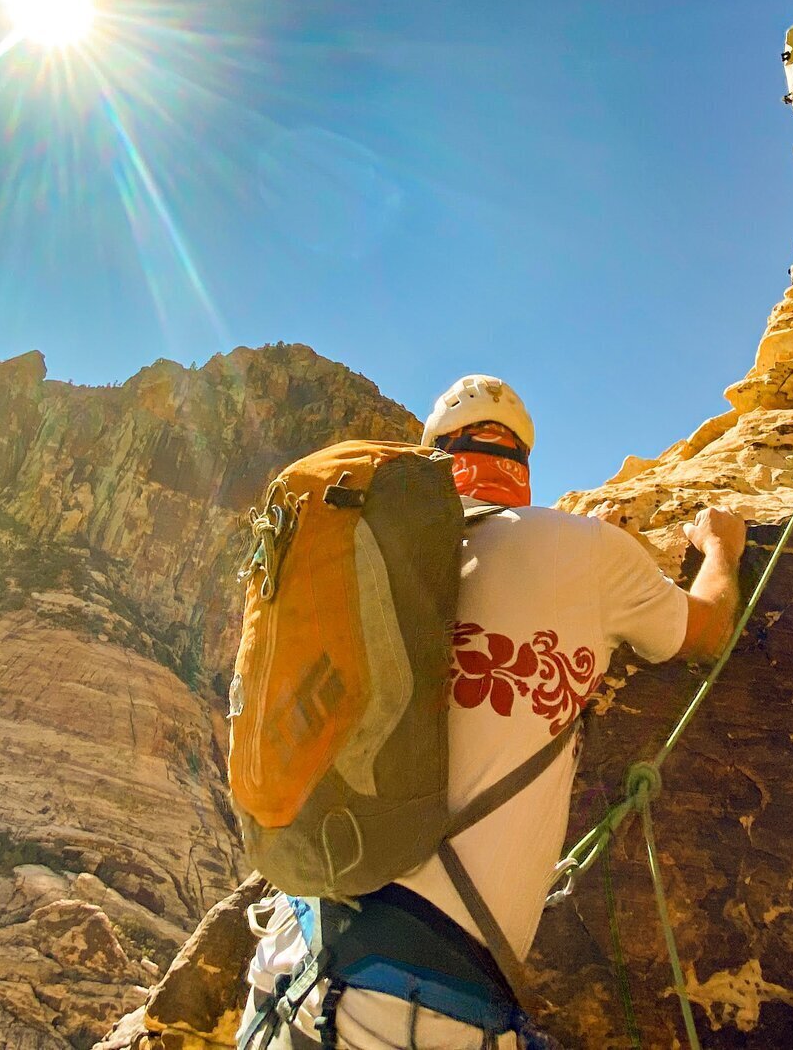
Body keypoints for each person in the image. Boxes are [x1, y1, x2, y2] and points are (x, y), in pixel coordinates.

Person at [238, 375, 748, 1049]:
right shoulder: (585, 549)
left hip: (285, 959)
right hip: (413, 1016)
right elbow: (707, 630)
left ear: (434, 462)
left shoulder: (377, 563)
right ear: (523, 462)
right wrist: (721, 549)